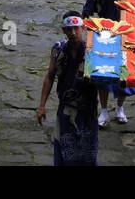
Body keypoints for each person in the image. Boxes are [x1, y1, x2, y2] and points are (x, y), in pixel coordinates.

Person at [36, 13, 99, 166]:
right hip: (65, 107)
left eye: (76, 29)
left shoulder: (93, 51)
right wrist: (42, 105)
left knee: (88, 150)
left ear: (83, 28)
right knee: (65, 147)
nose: (73, 33)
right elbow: (50, 76)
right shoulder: (58, 49)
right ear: (63, 30)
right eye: (69, 29)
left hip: (87, 108)